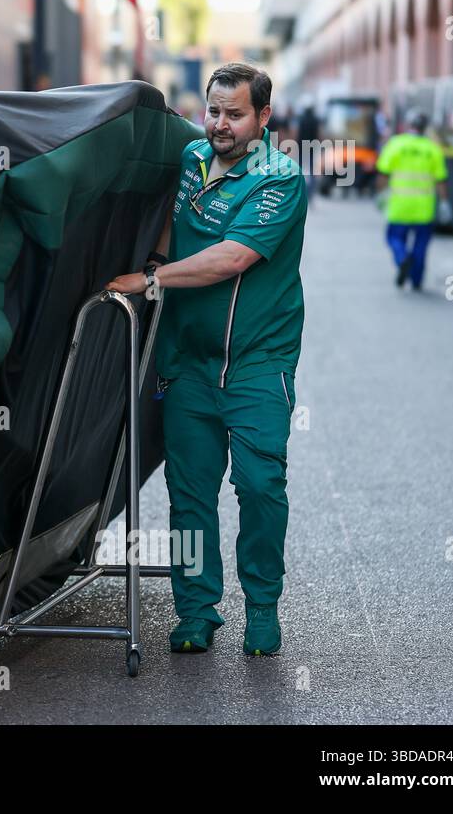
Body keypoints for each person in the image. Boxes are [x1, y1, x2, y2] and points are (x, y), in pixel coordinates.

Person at [107, 62, 307, 657]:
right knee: (190, 494)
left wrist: (147, 280)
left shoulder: (278, 177)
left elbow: (229, 258)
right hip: (186, 361)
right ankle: (196, 610)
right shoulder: (191, 160)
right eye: (213, 111)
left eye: (235, 113)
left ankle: (263, 607)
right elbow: (173, 228)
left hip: (256, 362)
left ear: (263, 117)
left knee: (260, 484)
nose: (220, 124)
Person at [375, 111, 450, 291]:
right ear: (425, 128)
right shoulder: (432, 149)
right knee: (421, 246)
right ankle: (416, 281)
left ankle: (402, 259)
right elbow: (441, 180)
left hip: (400, 206)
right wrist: (444, 202)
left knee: (393, 237)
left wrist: (380, 194)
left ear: (408, 125)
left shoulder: (395, 144)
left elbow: (383, 175)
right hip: (424, 208)